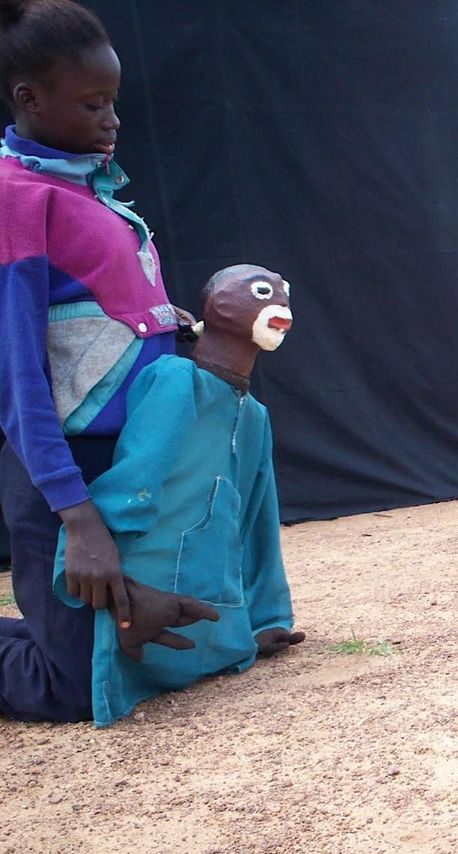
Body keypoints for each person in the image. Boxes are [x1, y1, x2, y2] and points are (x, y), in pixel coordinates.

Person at [0, 0, 218, 721]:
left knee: (125, 649)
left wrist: (171, 325)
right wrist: (76, 517)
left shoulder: (94, 192)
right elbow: (19, 379)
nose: (112, 119)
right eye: (93, 104)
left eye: (114, 102)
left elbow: (103, 319)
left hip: (130, 464)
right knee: (69, 687)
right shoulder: (15, 198)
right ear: (28, 99)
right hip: (62, 475)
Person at [53, 265, 305, 726]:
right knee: (68, 681)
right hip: (141, 606)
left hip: (214, 630)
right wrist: (117, 592)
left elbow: (257, 521)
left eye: (284, 293)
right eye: (263, 291)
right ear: (216, 306)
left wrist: (265, 620)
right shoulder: (175, 380)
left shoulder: (254, 416)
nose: (281, 304)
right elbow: (129, 486)